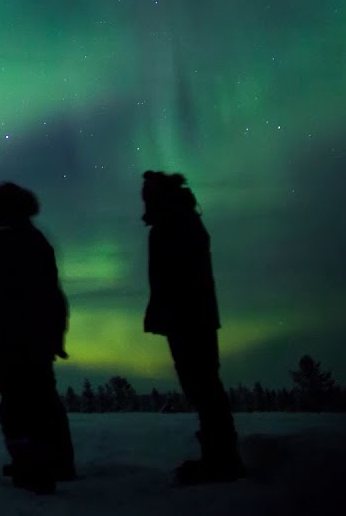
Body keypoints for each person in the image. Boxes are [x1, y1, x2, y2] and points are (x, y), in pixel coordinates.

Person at [0, 182, 75, 494]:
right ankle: (58, 461)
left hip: (4, 331)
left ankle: (31, 465)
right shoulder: (32, 237)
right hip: (37, 331)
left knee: (16, 399)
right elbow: (52, 289)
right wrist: (56, 332)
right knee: (42, 396)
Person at [140, 170, 245, 485]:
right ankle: (219, 456)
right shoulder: (177, 222)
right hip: (187, 316)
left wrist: (172, 312)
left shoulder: (175, 225)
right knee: (201, 384)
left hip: (187, 317)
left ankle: (222, 459)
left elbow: (179, 277)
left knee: (202, 384)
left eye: (149, 193)